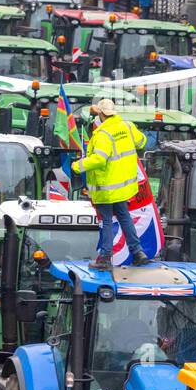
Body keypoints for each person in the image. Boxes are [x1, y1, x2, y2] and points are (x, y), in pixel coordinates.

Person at [69, 98, 151, 269]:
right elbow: (142, 141)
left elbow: (99, 159)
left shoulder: (102, 134)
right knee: (124, 216)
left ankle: (105, 257)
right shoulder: (127, 126)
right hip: (123, 186)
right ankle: (138, 253)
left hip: (106, 187)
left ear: (101, 114)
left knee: (106, 220)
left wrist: (77, 166)